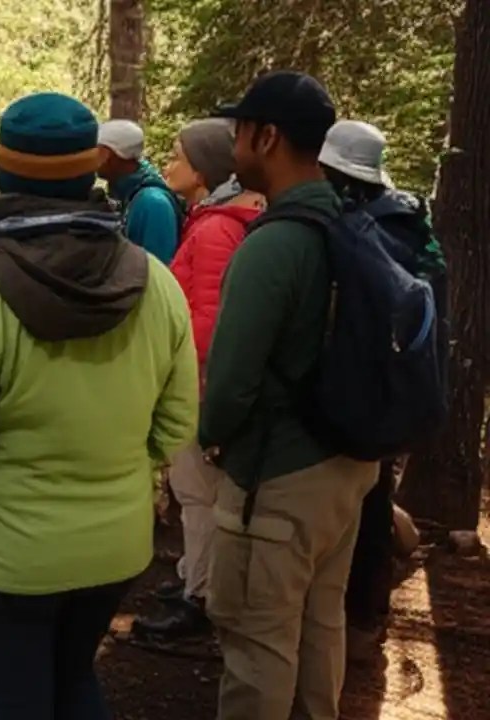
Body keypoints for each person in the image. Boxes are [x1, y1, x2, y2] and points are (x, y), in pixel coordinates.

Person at [0, 92, 199, 720]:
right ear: (89, 169)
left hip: (7, 554)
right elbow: (177, 423)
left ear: (3, 170)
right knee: (74, 681)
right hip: (116, 548)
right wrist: (118, 470)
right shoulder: (158, 284)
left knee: (18, 698)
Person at [204, 71, 379, 720]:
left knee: (256, 645)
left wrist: (210, 437)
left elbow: (230, 383)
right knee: (317, 626)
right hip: (346, 467)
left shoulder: (274, 244)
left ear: (267, 136)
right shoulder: (348, 222)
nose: (233, 143)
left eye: (239, 131)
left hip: (277, 477)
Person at [318, 119, 447, 659]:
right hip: (408, 388)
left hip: (365, 393)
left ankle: (354, 624)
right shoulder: (412, 222)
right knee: (375, 498)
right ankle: (366, 619)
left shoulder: (363, 228)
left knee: (361, 508)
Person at [133, 119, 264, 640]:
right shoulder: (214, 218)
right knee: (199, 493)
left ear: (204, 169)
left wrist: (173, 376)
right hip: (202, 380)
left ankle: (201, 599)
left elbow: (206, 325)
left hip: (200, 385)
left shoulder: (214, 228)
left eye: (177, 157)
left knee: (196, 493)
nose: (167, 167)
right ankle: (195, 575)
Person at [96, 119, 182, 264]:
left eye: (96, 150)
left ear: (109, 155)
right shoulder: (125, 193)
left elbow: (157, 267)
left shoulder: (153, 203)